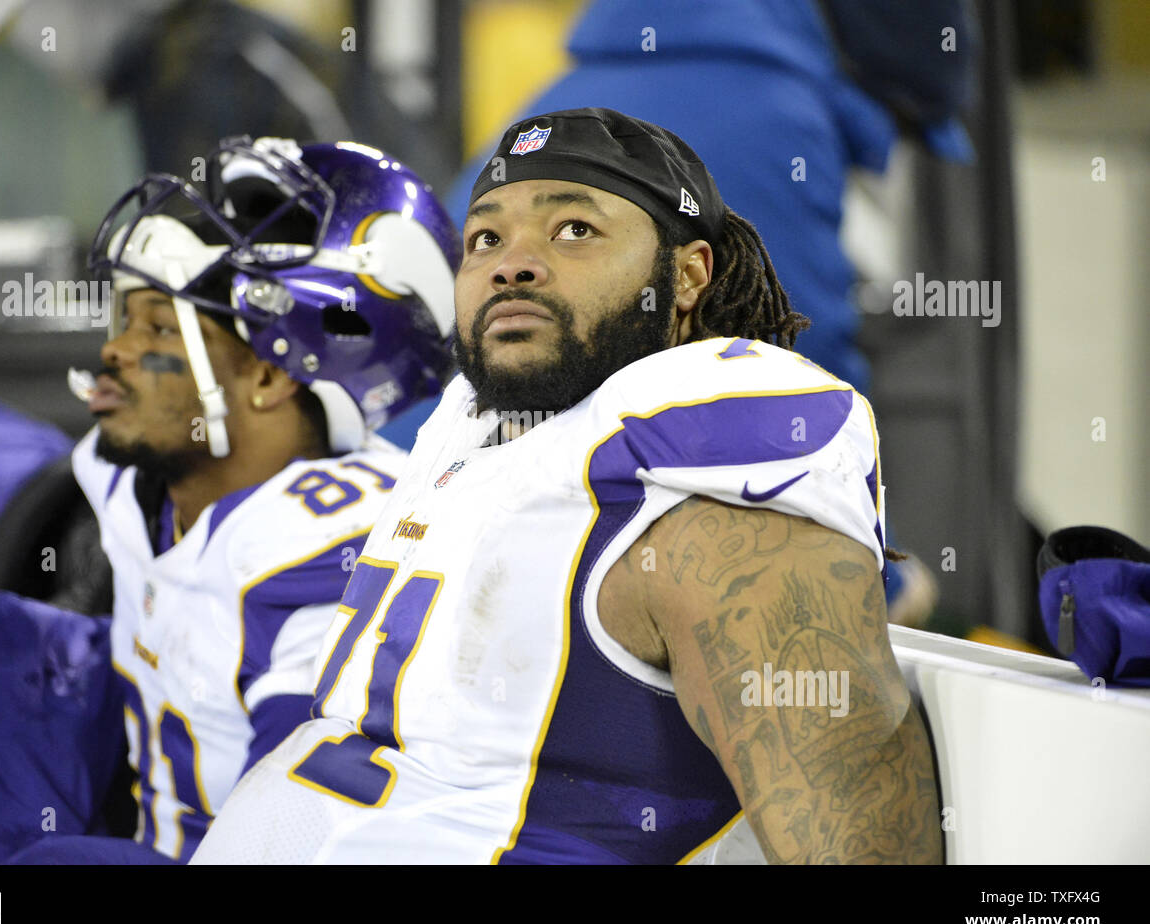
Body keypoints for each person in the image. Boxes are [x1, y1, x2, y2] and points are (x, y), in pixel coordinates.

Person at [193, 109, 942, 865]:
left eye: (574, 229)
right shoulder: (467, 432)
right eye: (485, 237)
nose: (511, 263)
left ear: (686, 276)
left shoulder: (704, 488)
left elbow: (863, 854)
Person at [0, 136, 461, 865]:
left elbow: (300, 842)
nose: (115, 351)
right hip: (150, 808)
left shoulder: (327, 565)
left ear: (271, 377)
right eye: (127, 318)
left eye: (161, 328)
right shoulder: (150, 485)